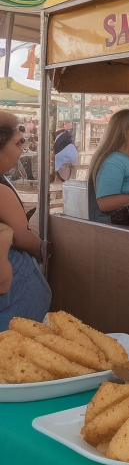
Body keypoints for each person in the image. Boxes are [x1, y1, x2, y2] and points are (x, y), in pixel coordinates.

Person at [0, 113, 49, 329]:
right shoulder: (1, 192)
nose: (23, 148)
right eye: (18, 142)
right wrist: (42, 248)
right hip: (14, 300)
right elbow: (23, 238)